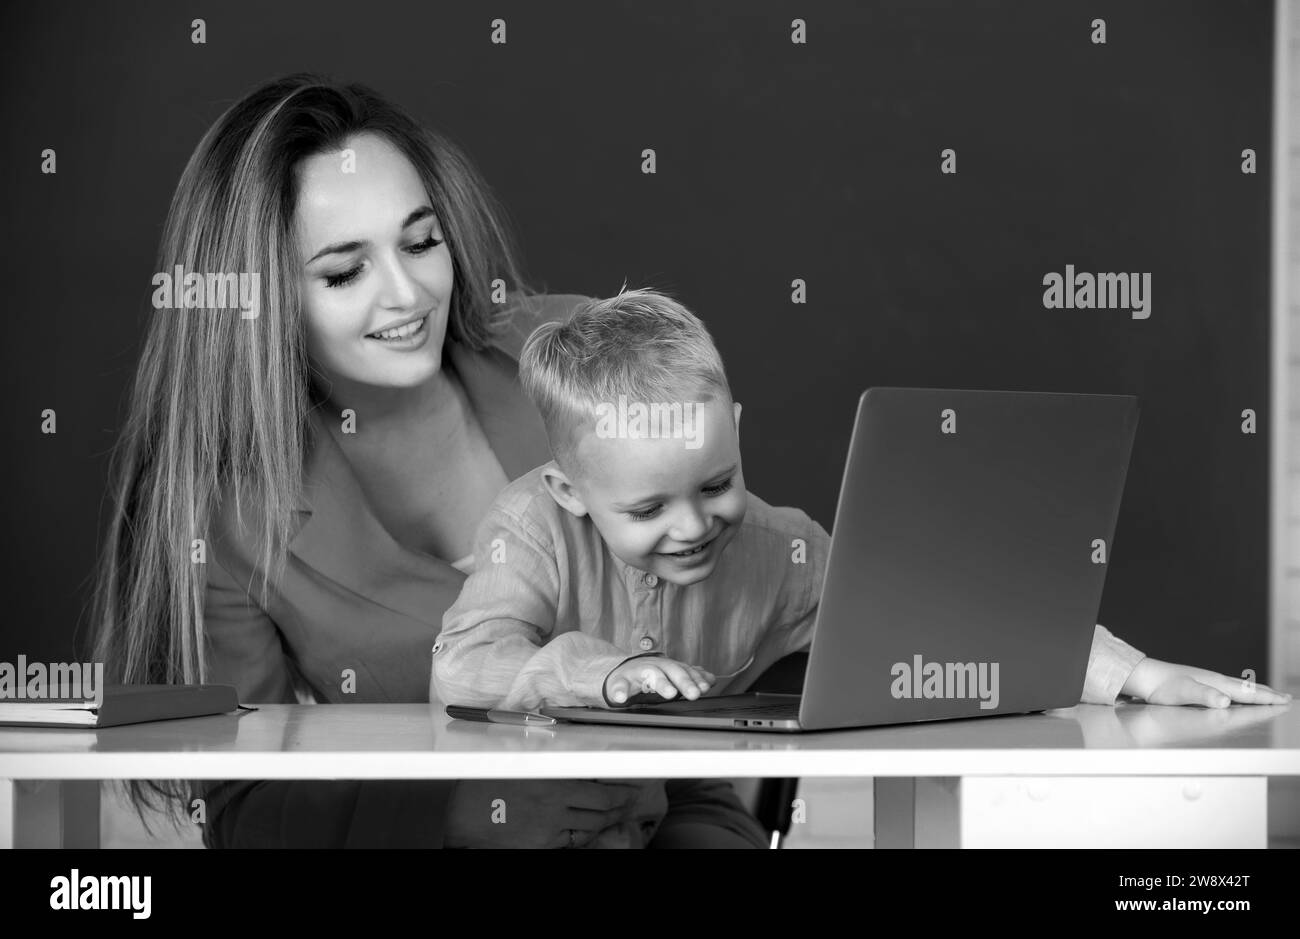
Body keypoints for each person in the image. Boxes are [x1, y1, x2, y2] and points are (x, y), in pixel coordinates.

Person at [90, 73, 768, 848]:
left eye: (420, 242)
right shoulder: (223, 512)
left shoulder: (572, 363)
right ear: (258, 302)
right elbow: (246, 809)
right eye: (345, 272)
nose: (409, 293)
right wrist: (456, 812)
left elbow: (723, 614)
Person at [433, 289, 1292, 734]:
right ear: (570, 491)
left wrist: (1134, 675)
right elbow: (463, 669)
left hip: (682, 803)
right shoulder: (530, 529)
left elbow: (941, 621)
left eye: (716, 484)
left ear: (735, 433)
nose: (693, 526)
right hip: (531, 806)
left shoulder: (784, 548)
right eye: (649, 506)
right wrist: (602, 672)